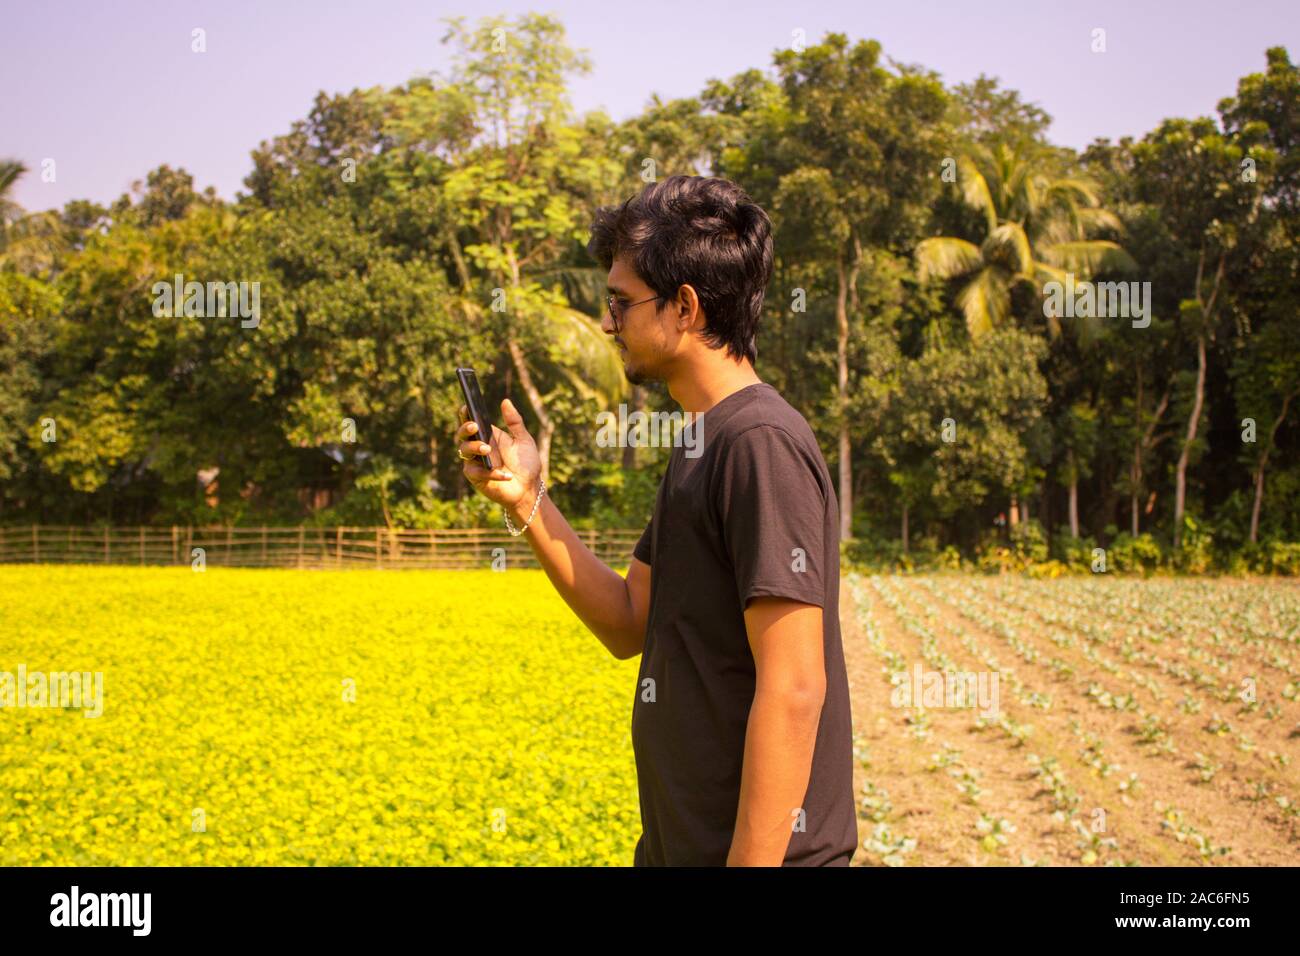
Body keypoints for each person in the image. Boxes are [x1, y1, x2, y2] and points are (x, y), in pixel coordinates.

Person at [455, 175, 858, 866]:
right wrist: (526, 499)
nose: (609, 323)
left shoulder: (758, 443)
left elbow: (794, 687)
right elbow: (628, 621)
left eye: (620, 301)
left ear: (685, 307)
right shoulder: (703, 444)